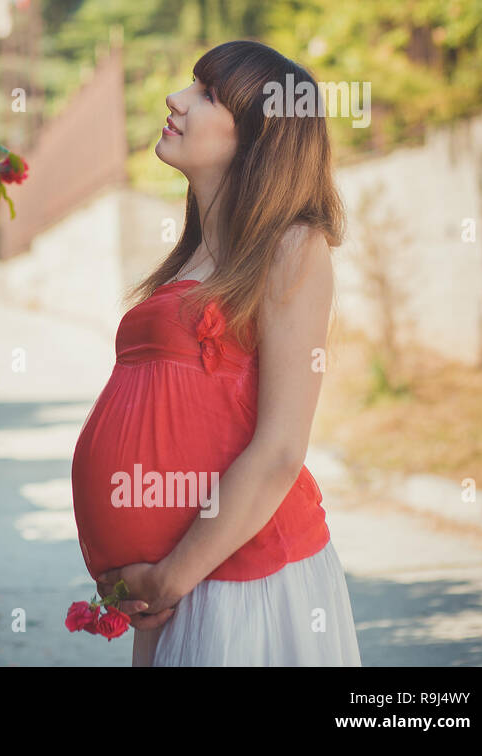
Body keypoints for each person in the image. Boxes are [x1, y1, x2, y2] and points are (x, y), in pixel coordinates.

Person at [70, 39, 362, 665]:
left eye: (206, 94)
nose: (175, 99)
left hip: (244, 581)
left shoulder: (293, 248)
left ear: (258, 136)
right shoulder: (193, 256)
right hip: (179, 588)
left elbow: (282, 449)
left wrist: (172, 576)